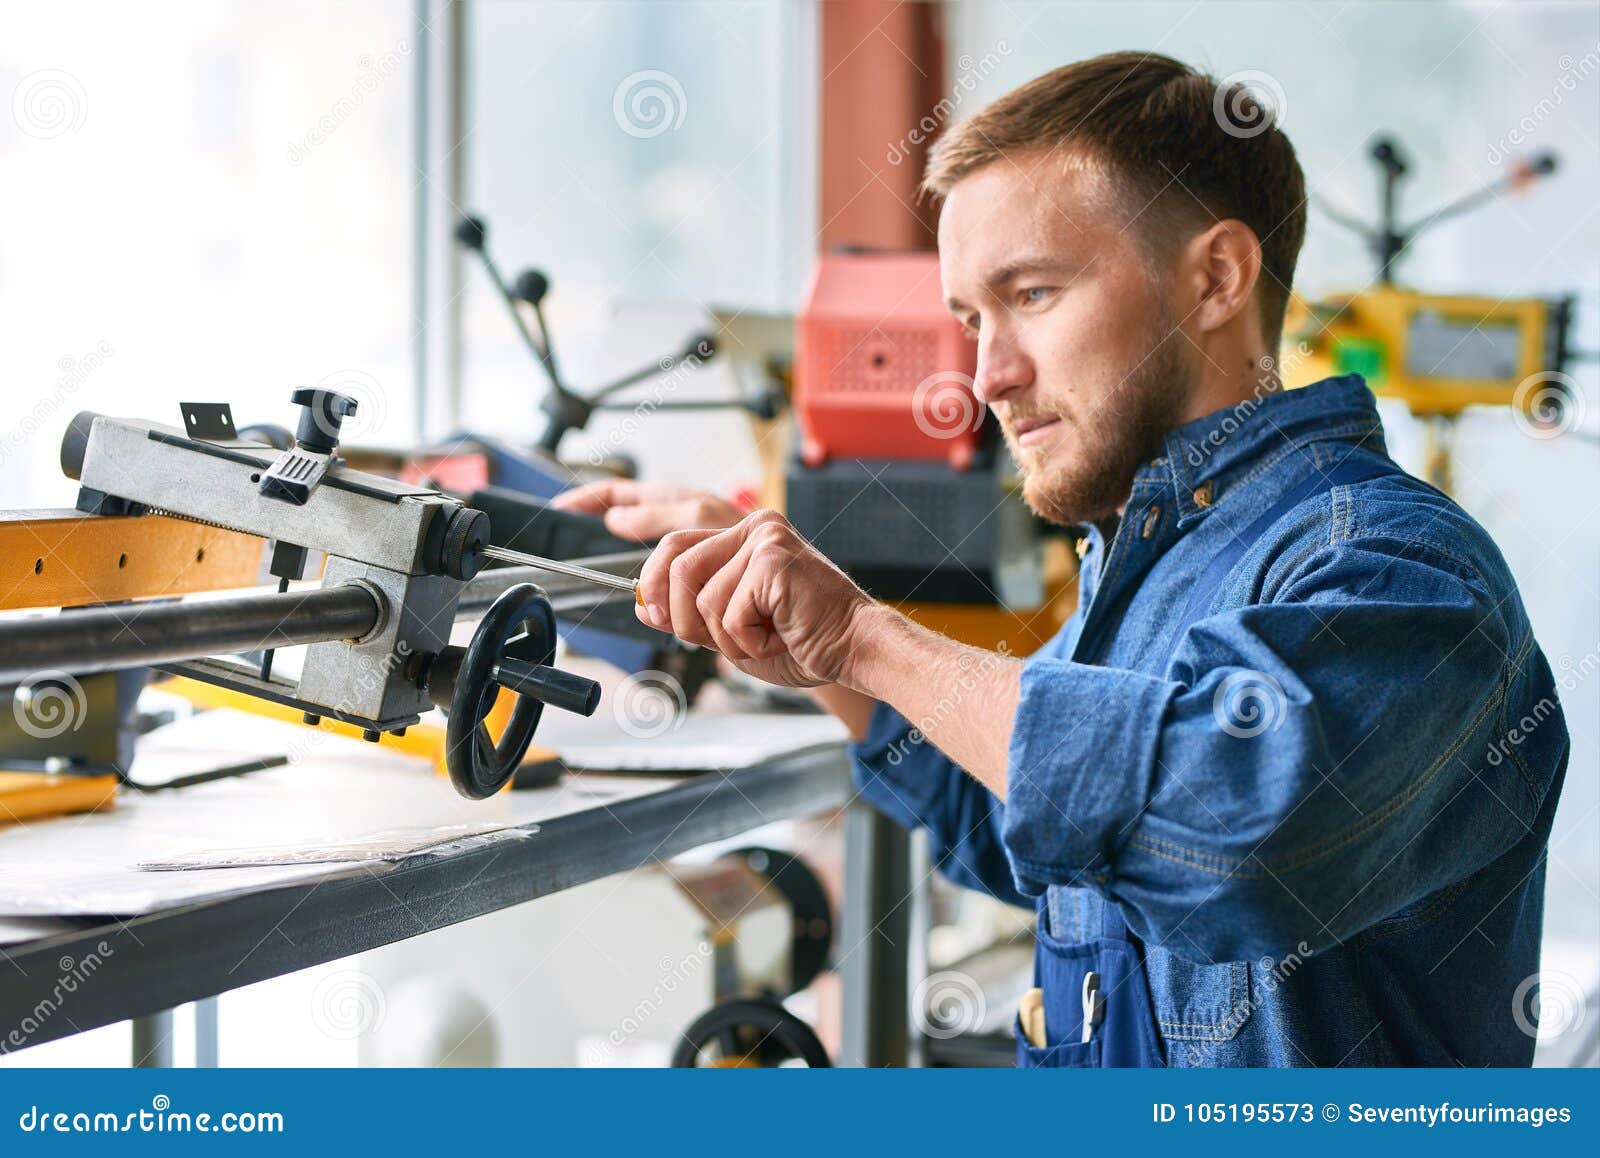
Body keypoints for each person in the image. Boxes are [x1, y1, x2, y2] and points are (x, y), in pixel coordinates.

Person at [554, 52, 1569, 1067]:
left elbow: (1228, 833)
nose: (988, 374)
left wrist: (864, 635)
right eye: (968, 319)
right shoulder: (1148, 565)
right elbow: (1024, 829)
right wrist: (814, 651)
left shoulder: (1396, 565)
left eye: (1032, 293)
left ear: (1215, 277)